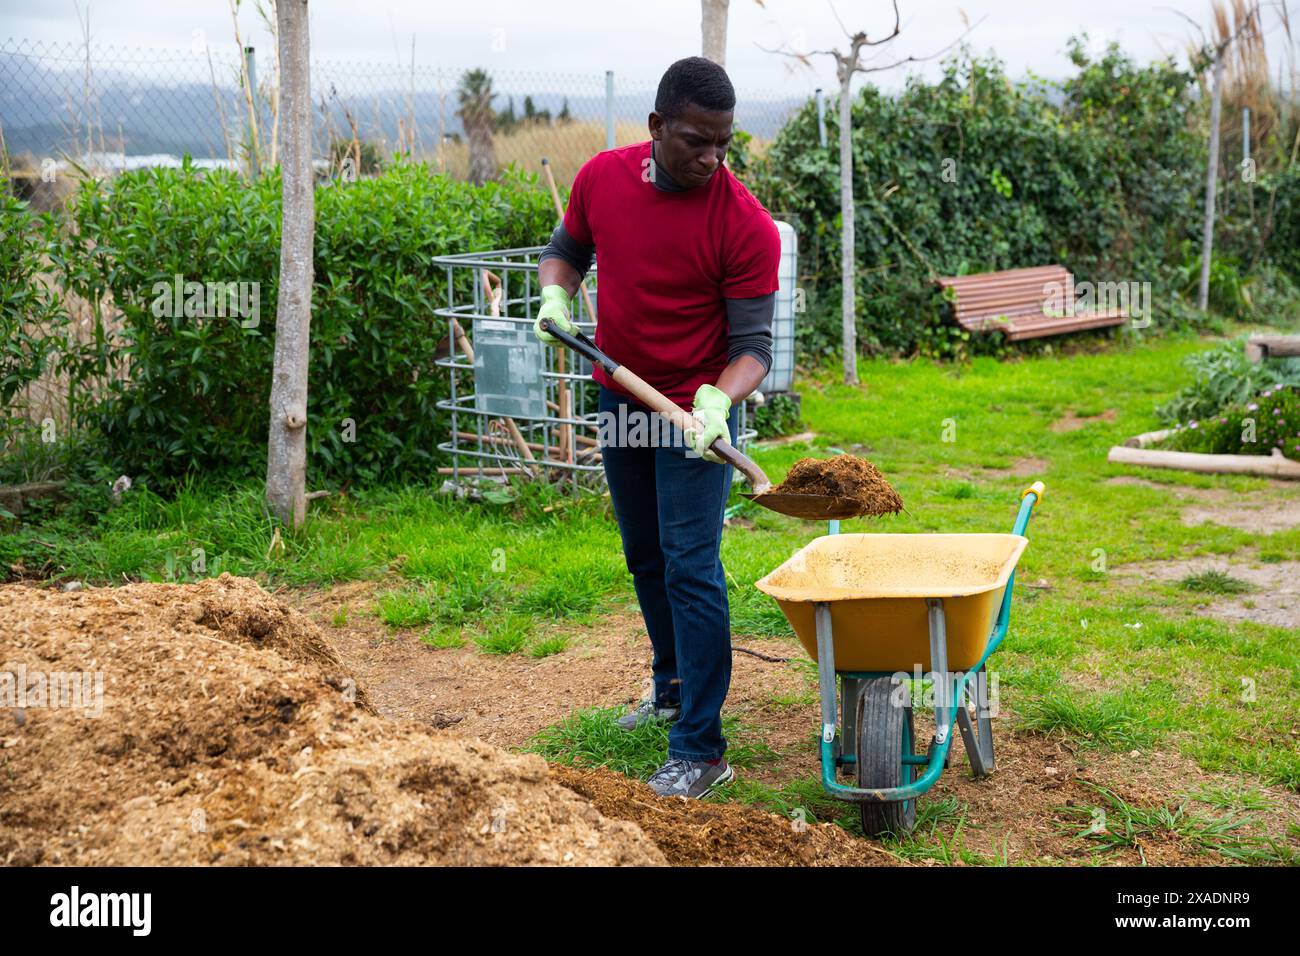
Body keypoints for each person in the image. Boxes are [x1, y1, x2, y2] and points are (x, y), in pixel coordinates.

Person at [534, 56, 780, 799]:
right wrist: (555, 298)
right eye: (697, 141)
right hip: (622, 400)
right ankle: (670, 685)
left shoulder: (745, 224)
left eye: (724, 144)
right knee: (645, 553)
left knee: (690, 564)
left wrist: (717, 401)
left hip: (694, 414)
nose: (712, 158)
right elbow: (567, 252)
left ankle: (701, 747)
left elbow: (755, 348)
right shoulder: (603, 179)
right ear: (657, 128)